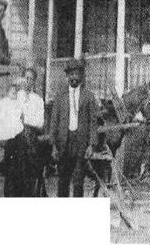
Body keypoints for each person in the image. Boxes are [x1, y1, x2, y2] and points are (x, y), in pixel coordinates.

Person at [49, 58, 98, 197]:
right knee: (62, 180)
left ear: (81, 76)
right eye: (71, 74)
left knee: (78, 181)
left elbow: (93, 122)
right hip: (63, 143)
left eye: (77, 74)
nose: (74, 77)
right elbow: (54, 120)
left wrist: (91, 145)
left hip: (80, 144)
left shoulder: (88, 96)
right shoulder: (60, 96)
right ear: (67, 76)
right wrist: (53, 145)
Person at [0, 79, 31, 197]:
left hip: (18, 139)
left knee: (20, 168)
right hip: (8, 139)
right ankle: (9, 192)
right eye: (12, 92)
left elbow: (22, 117)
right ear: (7, 93)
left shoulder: (18, 104)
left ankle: (19, 191)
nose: (14, 94)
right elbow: (0, 119)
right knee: (10, 170)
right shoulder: (4, 103)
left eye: (16, 92)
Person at [18, 67, 47, 196]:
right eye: (26, 78)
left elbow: (40, 123)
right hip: (17, 133)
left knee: (27, 135)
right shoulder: (16, 96)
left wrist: (26, 120)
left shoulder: (38, 100)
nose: (28, 81)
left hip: (31, 133)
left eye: (31, 79)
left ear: (34, 82)